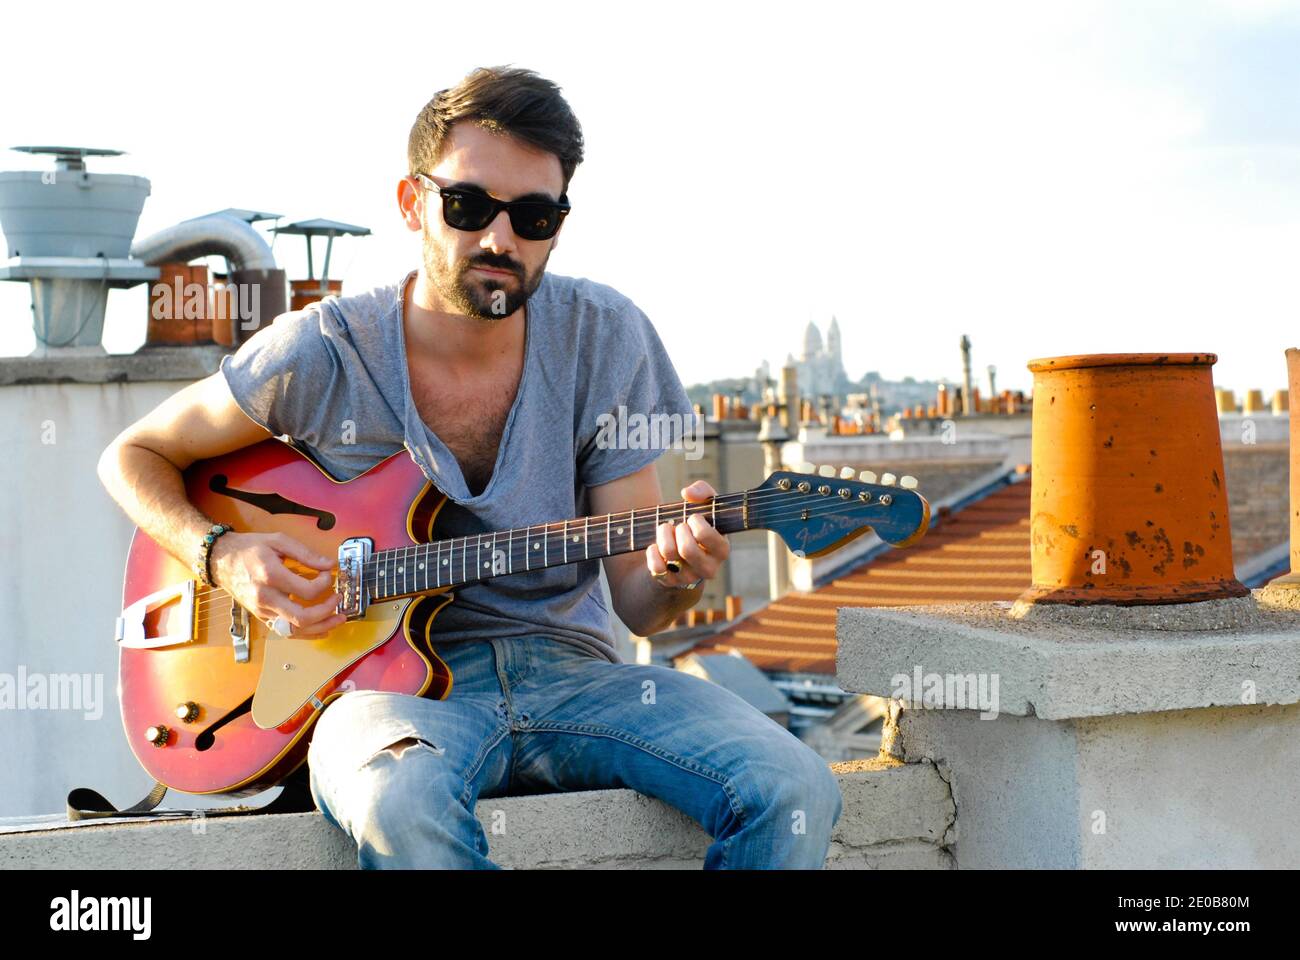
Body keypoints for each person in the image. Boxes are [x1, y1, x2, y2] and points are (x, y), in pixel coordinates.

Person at [97, 65, 842, 869]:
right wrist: (221, 554)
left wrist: (677, 571)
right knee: (398, 803)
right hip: (384, 692)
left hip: (573, 677)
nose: (500, 239)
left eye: (534, 215)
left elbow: (642, 604)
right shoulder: (326, 350)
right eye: (469, 206)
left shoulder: (607, 338)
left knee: (792, 785)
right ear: (413, 204)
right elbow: (131, 456)